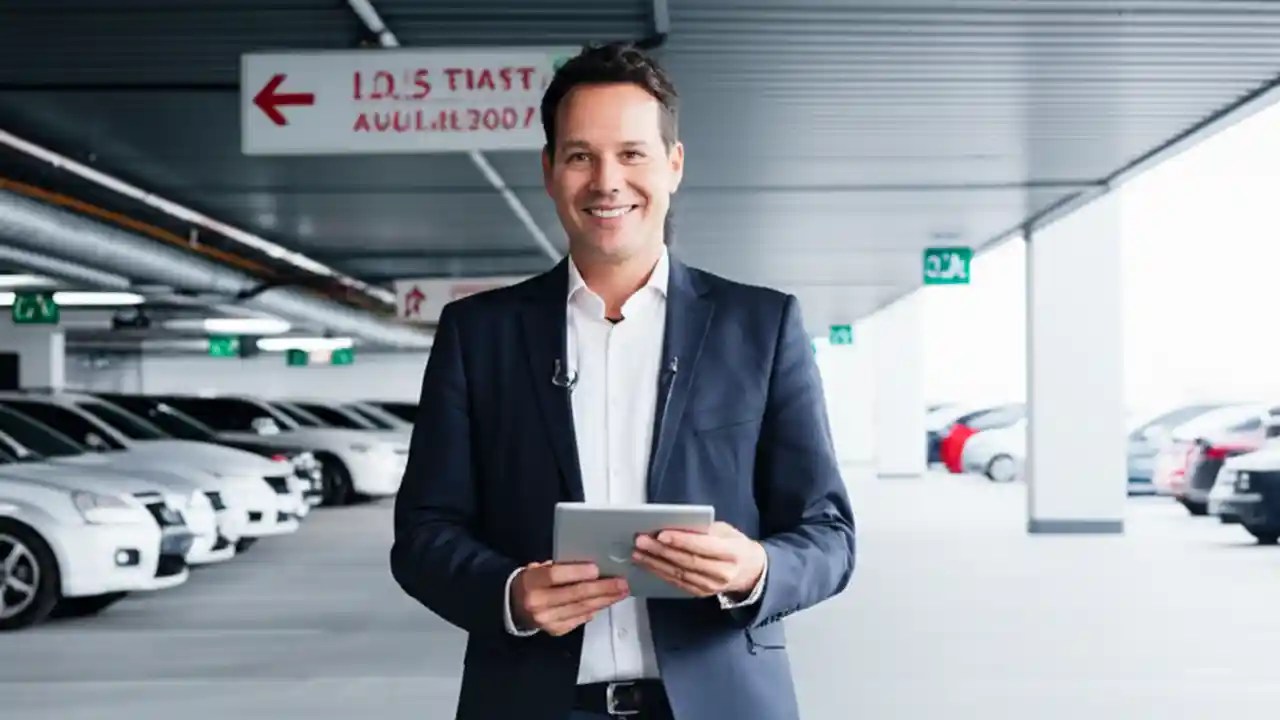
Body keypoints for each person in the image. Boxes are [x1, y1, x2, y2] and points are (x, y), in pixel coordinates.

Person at [391, 42, 857, 720]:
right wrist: (511, 594)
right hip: (530, 702)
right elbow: (425, 533)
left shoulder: (760, 327)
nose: (607, 181)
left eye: (632, 153)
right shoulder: (478, 335)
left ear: (673, 165)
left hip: (720, 702)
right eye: (581, 155)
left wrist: (756, 569)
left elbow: (829, 532)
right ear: (550, 172)